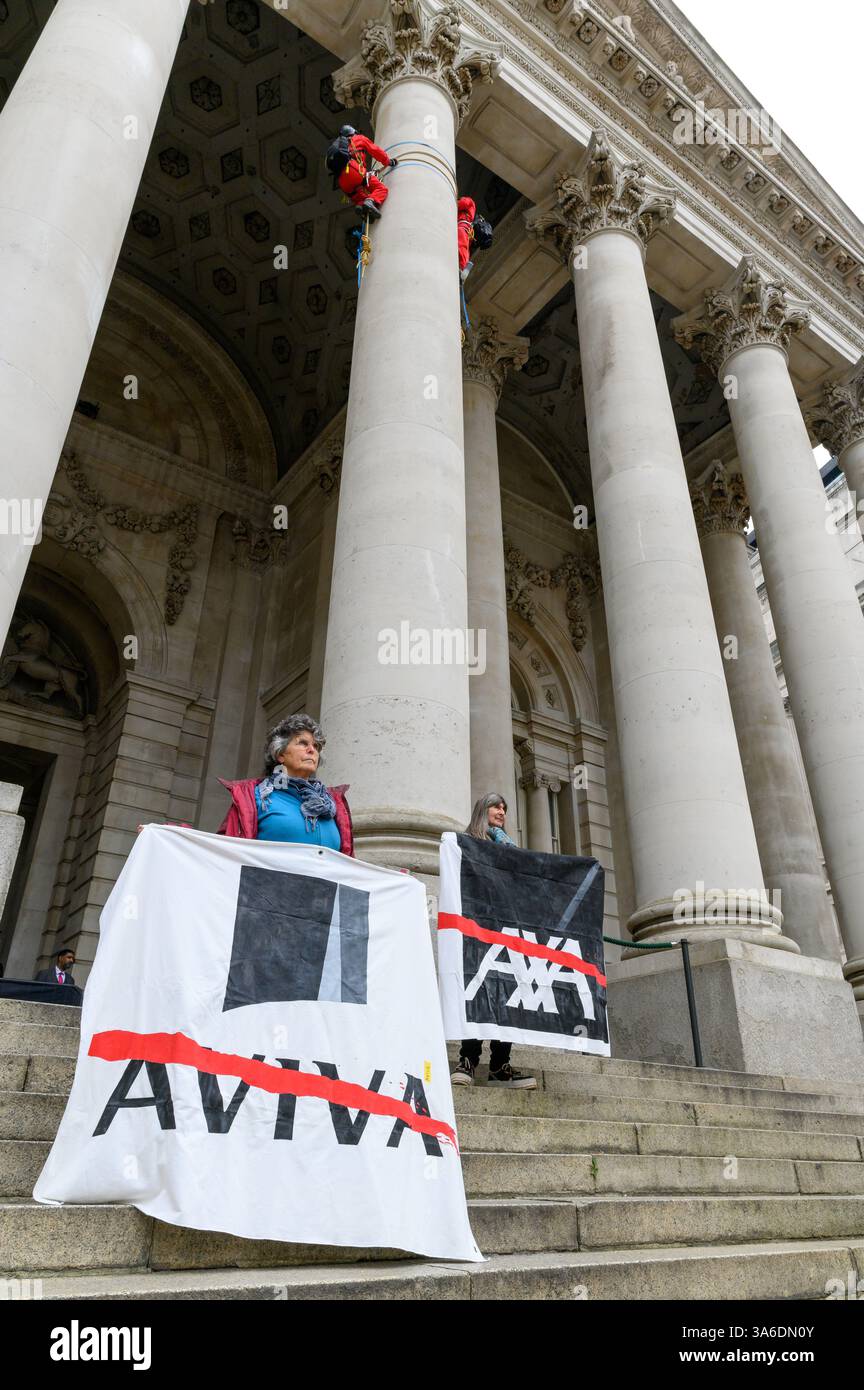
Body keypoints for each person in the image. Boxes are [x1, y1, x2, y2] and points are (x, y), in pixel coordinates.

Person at [450, 794, 537, 1089]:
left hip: (509, 930)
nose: (501, 811)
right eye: (495, 806)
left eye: (504, 808)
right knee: (478, 989)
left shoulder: (508, 846)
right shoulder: (465, 843)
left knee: (509, 992)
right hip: (477, 928)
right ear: (481, 811)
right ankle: (469, 1060)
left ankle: (501, 1065)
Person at [217, 713, 354, 854]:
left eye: (316, 746)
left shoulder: (333, 804)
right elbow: (226, 853)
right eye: (303, 743)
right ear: (280, 754)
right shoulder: (253, 798)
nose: (312, 750)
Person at [329, 125, 398, 221]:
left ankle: (362, 208)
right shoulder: (359, 138)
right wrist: (388, 162)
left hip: (342, 181)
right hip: (354, 171)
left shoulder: (340, 147)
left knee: (359, 196)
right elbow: (375, 151)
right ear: (353, 132)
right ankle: (370, 202)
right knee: (381, 189)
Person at [457, 195, 476, 281]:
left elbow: (463, 203)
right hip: (463, 228)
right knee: (464, 248)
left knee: (462, 245)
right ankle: (462, 266)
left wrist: (453, 202)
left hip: (463, 226)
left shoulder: (468, 200)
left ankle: (462, 266)